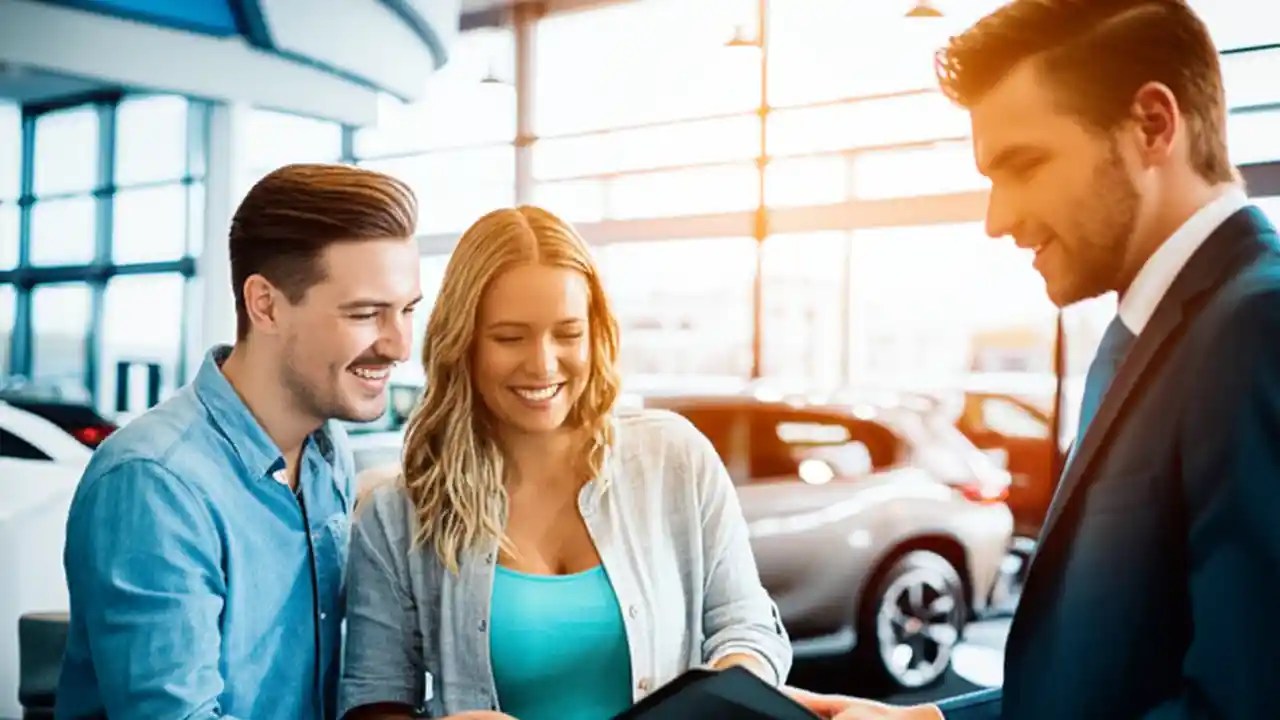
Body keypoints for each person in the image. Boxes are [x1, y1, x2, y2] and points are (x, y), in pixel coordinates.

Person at [793, 1, 1280, 719]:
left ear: (1152, 126)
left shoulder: (1255, 328)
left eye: (1024, 165)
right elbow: (1110, 679)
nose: (998, 218)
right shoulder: (1151, 333)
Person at [339, 205, 792, 720]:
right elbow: (371, 700)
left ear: (596, 333)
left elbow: (748, 623)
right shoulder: (398, 517)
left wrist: (728, 694)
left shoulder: (675, 459)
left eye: (568, 334)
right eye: (510, 337)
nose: (543, 363)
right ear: (462, 342)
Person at [55, 163, 425, 720]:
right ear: (266, 305)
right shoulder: (155, 482)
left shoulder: (327, 454)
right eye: (367, 313)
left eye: (407, 310)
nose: (399, 345)